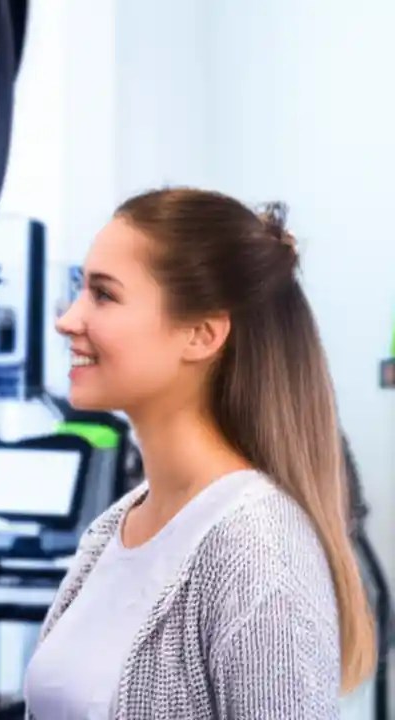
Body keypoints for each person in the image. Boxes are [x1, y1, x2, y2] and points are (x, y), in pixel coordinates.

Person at [22, 188, 377, 719]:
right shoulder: (114, 528)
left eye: (104, 295)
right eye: (81, 290)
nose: (67, 320)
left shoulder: (258, 549)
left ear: (201, 334)